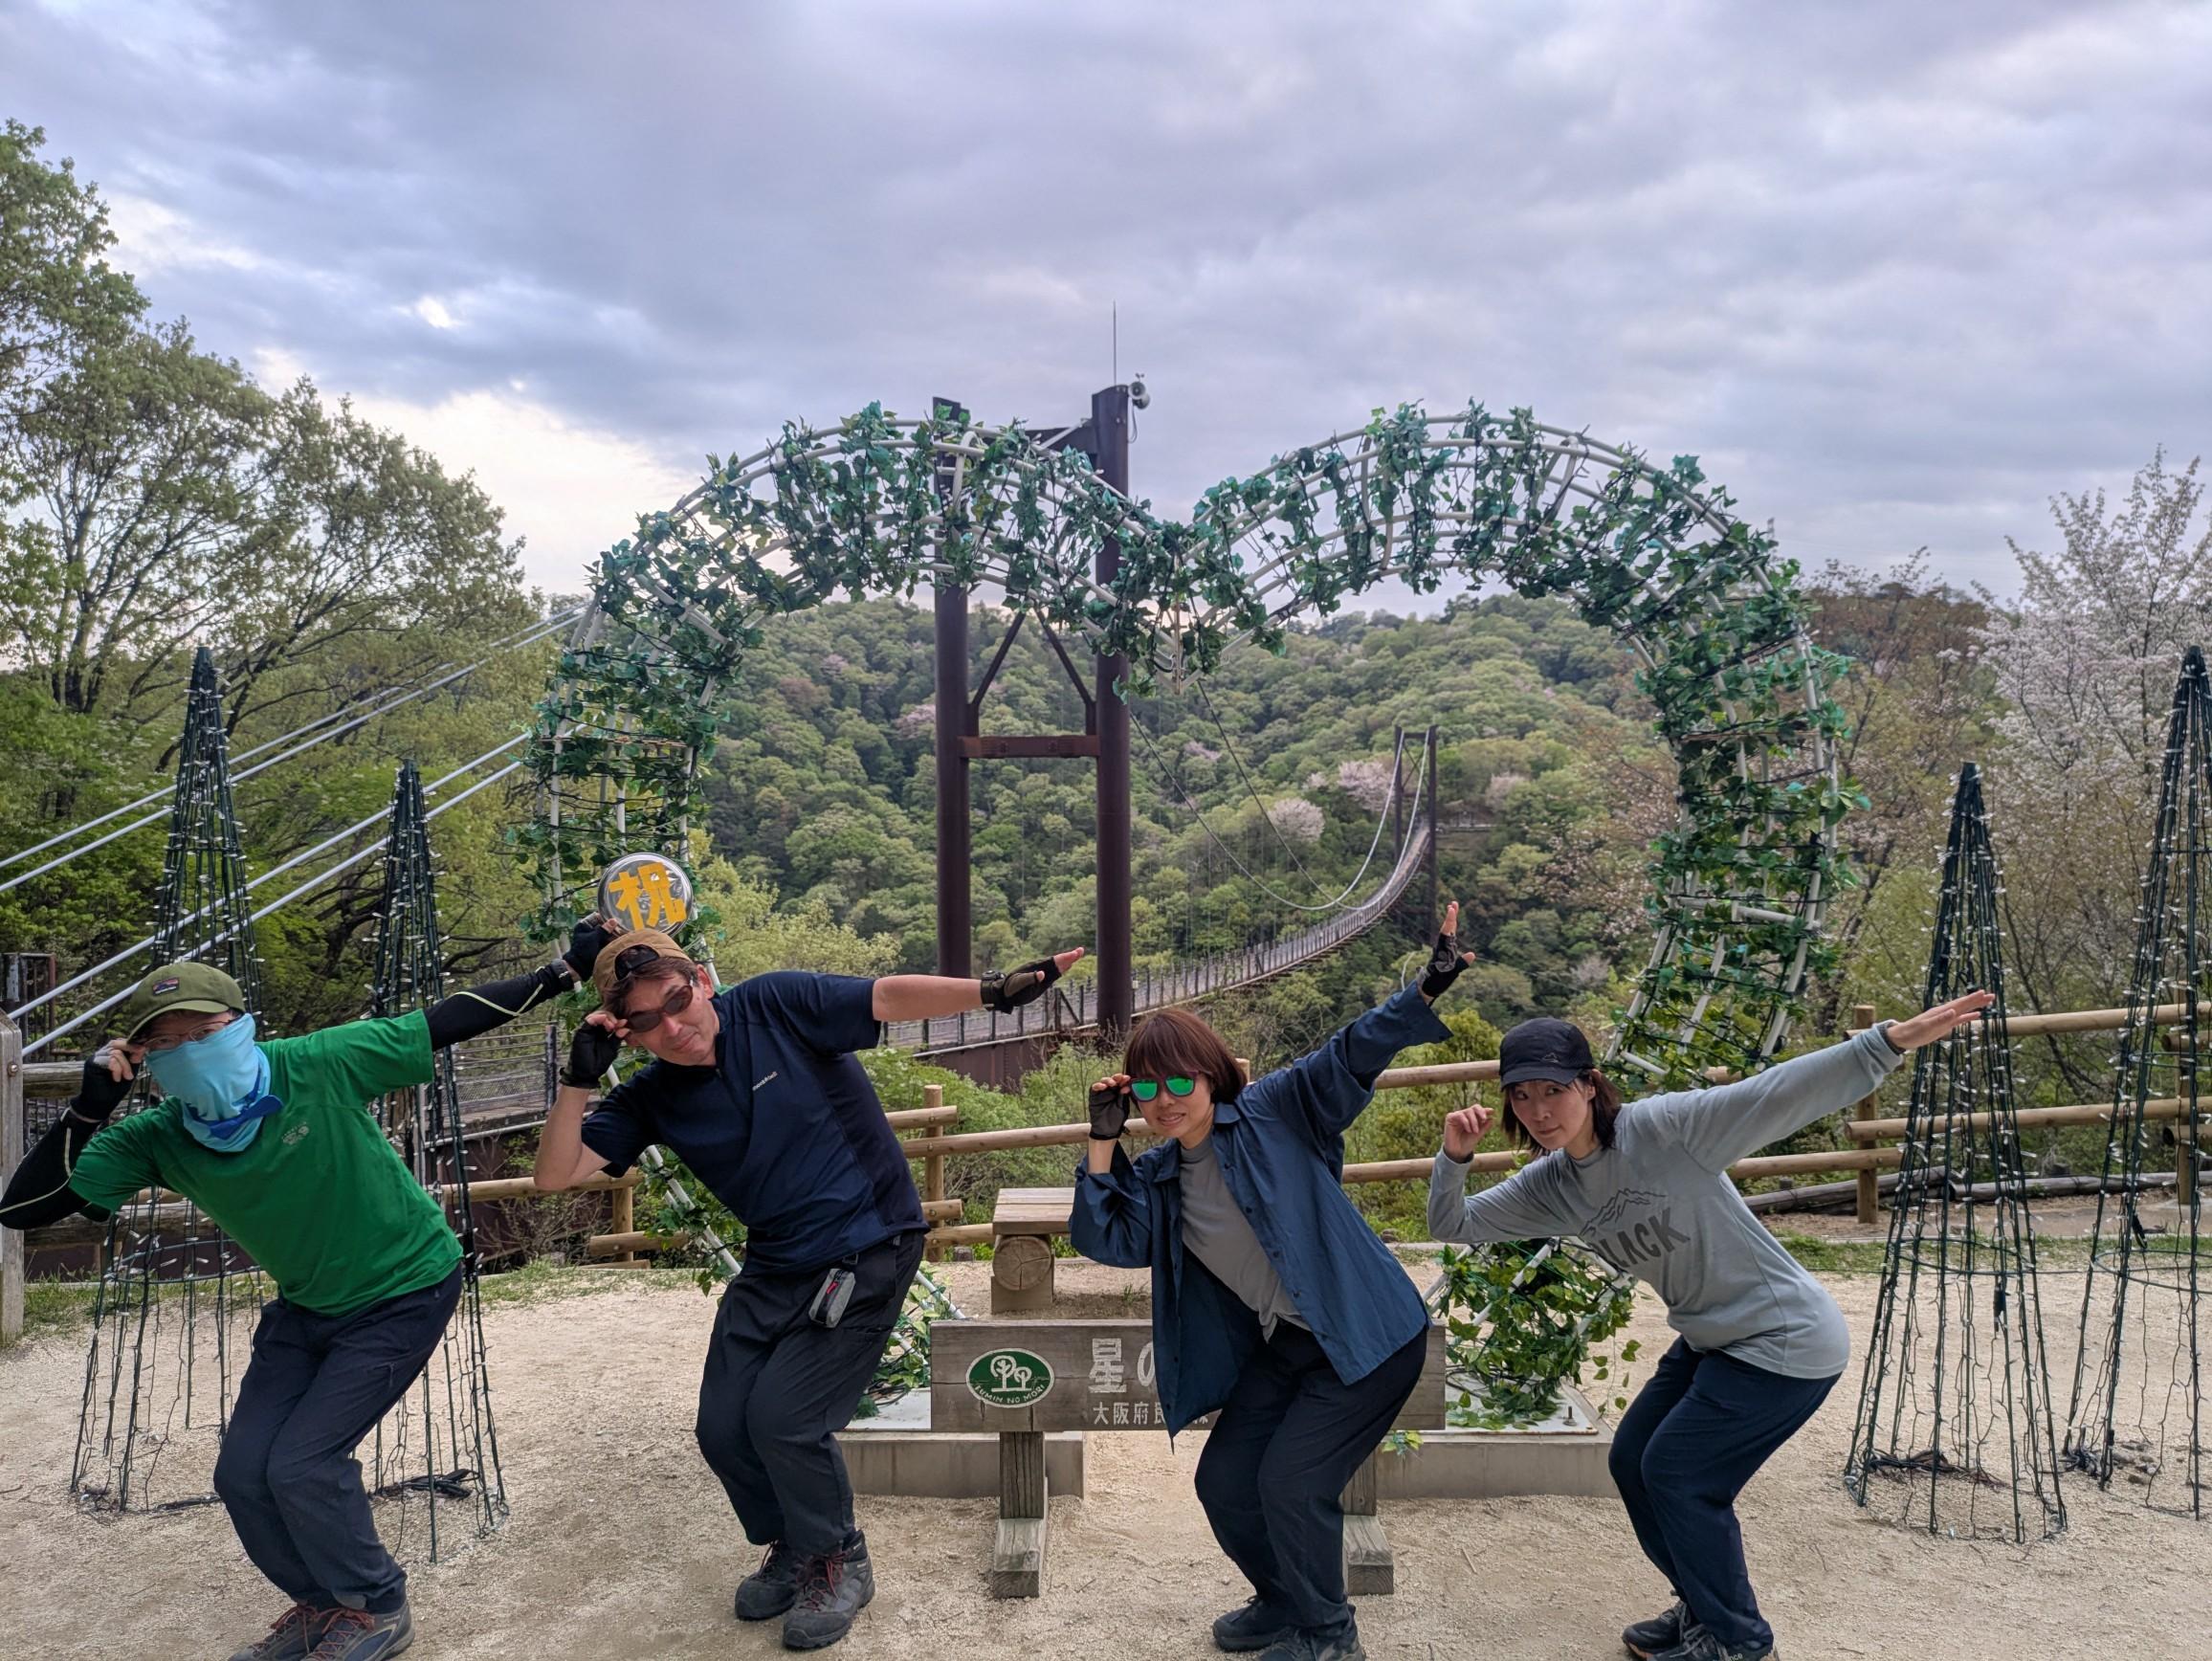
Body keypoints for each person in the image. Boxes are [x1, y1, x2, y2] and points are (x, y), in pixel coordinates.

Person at [0, 920, 614, 1661]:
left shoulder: (316, 1063)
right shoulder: (156, 1136)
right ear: (142, 1060)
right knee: (241, 1474)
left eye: (204, 1031)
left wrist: (563, 972)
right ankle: (323, 1605)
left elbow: (446, 1023)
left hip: (407, 1283)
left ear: (243, 1028)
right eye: (164, 1043)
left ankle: (378, 1605)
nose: (187, 1050)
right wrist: (87, 1108)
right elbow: (24, 1210)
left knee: (303, 1465)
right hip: (308, 1305)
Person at [532, 929, 1083, 1651]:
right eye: (645, 1022)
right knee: (723, 1425)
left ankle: (839, 1557)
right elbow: (556, 1174)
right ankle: (796, 1542)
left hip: (868, 1242)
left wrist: (991, 992)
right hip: (776, 1262)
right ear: (626, 1035)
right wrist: (577, 1079)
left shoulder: (773, 1006)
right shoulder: (652, 1095)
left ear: (699, 980)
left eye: (676, 1001)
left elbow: (883, 996)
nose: (673, 1027)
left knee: (785, 1419)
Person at [1427, 990, 1994, 1661]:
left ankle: (1740, 1642)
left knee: (1679, 1473)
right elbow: (1453, 1224)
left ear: (1590, 1084)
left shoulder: (1664, 1129)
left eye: (1554, 1088)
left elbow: (1776, 1093)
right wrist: (1454, 1157)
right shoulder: (1551, 1185)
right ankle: (1702, 1606)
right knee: (1633, 1463)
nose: (1539, 1110)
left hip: (1783, 1339)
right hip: (1710, 1338)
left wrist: (1887, 1044)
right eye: (1521, 1096)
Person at [1071, 905, 1478, 1661]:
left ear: (1211, 1074)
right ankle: (1285, 1602)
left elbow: (1351, 1054)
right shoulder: (1158, 1177)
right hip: (1289, 1349)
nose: (1165, 1100)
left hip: (1368, 1337)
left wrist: (1428, 987)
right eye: (1148, 1088)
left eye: (1180, 1079)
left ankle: (1330, 1637)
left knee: (1292, 1486)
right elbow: (1108, 1238)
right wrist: (1101, 1141)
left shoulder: (1276, 1110)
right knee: (1225, 1484)